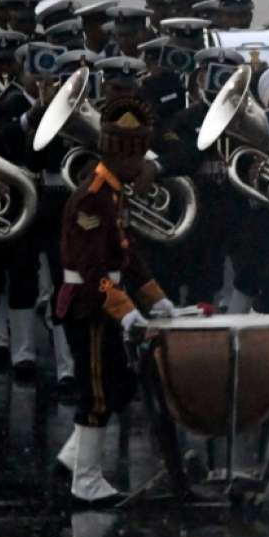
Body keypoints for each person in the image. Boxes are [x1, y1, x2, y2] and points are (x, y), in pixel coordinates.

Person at [57, 96, 175, 504]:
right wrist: (126, 312)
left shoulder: (113, 190)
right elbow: (93, 273)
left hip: (105, 300)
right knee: (97, 393)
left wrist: (157, 299)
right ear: (120, 155)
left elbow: (126, 253)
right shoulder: (93, 195)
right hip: (89, 306)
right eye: (137, 155)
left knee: (120, 385)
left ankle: (74, 456)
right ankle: (86, 483)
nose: (143, 165)